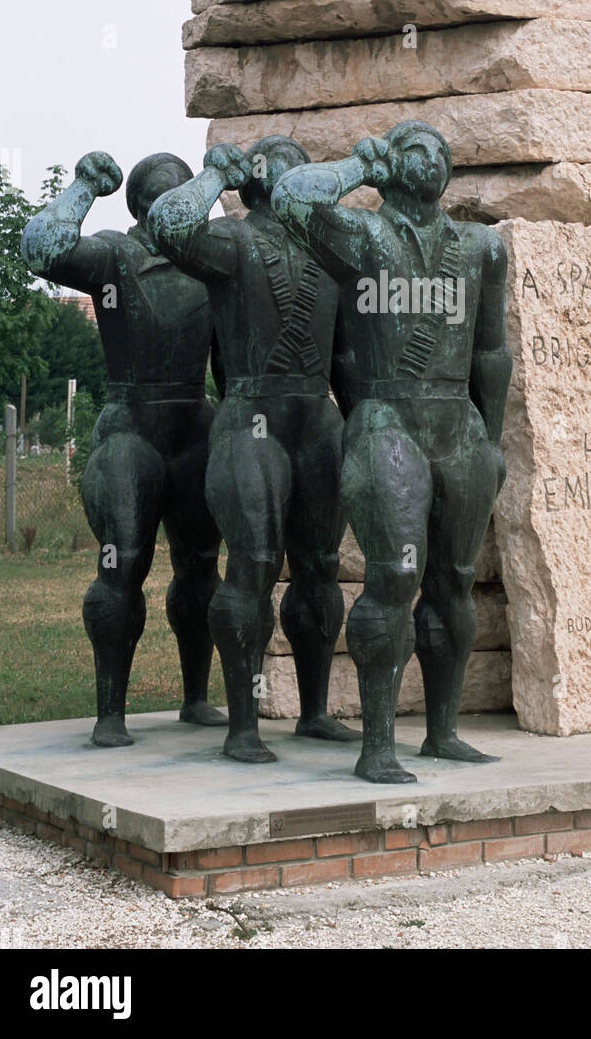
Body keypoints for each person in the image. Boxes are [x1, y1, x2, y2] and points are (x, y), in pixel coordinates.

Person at [272, 121, 512, 784]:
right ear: (393, 164)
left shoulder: (481, 248)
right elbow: (292, 198)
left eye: (441, 150)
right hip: (385, 418)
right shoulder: (360, 236)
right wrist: (357, 165)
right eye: (415, 148)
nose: (431, 158)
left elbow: (490, 349)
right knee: (393, 578)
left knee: (453, 583)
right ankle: (376, 745)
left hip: (456, 427)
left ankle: (442, 733)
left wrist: (489, 440)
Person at [147, 136, 356, 762]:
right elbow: (168, 226)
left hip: (317, 418)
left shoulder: (333, 249)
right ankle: (242, 725)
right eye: (284, 165)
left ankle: (314, 710)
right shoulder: (233, 240)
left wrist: (367, 419)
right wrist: (214, 174)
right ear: (260, 182)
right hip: (251, 415)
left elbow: (344, 354)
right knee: (253, 564)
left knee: (319, 566)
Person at [21, 151, 226, 747]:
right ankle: (110, 711)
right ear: (140, 205)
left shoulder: (209, 260)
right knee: (121, 565)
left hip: (194, 427)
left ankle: (196, 697)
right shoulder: (115, 255)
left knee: (202, 568)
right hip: (130, 428)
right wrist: (83, 186)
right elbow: (43, 247)